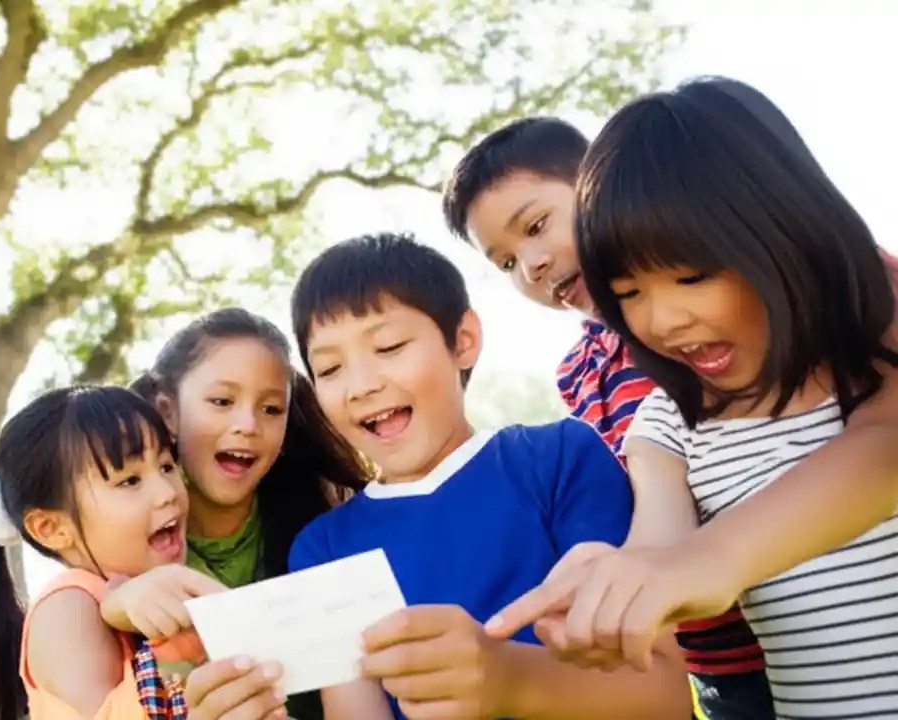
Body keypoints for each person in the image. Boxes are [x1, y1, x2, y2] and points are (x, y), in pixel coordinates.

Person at [484, 77, 898, 717]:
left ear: (782, 229)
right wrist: (614, 580)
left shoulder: (874, 340)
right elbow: (661, 546)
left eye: (692, 276)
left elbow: (884, 447)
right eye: (629, 292)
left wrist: (711, 559)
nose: (664, 320)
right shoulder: (666, 424)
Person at [442, 116, 769, 717]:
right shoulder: (580, 375)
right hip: (718, 659)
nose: (532, 266)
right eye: (506, 262)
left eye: (537, 227)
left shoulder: (719, 307)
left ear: (602, 182)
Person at [286, 232, 691, 719]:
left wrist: (509, 679)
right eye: (329, 369)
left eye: (389, 346)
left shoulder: (560, 458)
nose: (361, 386)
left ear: (463, 340)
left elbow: (662, 693)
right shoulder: (323, 549)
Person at [125, 307, 370, 720]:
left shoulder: (321, 538)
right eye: (222, 401)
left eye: (271, 409)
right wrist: (120, 598)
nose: (248, 424)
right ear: (167, 412)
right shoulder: (131, 549)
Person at [0, 385, 221, 720]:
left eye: (167, 466)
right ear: (51, 528)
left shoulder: (144, 596)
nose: (166, 492)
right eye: (129, 480)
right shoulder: (66, 605)